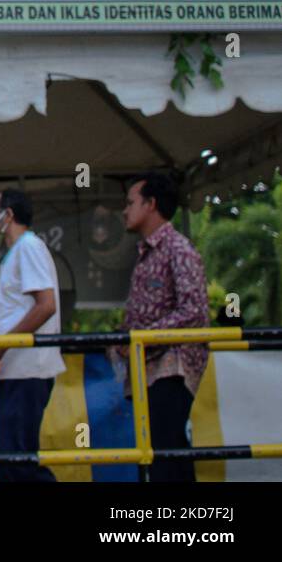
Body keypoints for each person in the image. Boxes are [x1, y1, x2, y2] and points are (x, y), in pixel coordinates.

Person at [118, 171, 209, 482]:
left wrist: (143, 337)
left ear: (151, 204)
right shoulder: (146, 253)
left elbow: (195, 310)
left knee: (165, 451)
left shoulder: (178, 248)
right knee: (163, 451)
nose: (125, 210)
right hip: (149, 364)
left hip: (173, 364)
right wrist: (125, 337)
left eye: (130, 203)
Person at [0, 189, 64, 482]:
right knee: (10, 464)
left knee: (18, 464)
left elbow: (46, 306)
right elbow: (18, 315)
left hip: (26, 371)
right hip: (13, 371)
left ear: (7, 215)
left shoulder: (29, 247)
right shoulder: (15, 254)